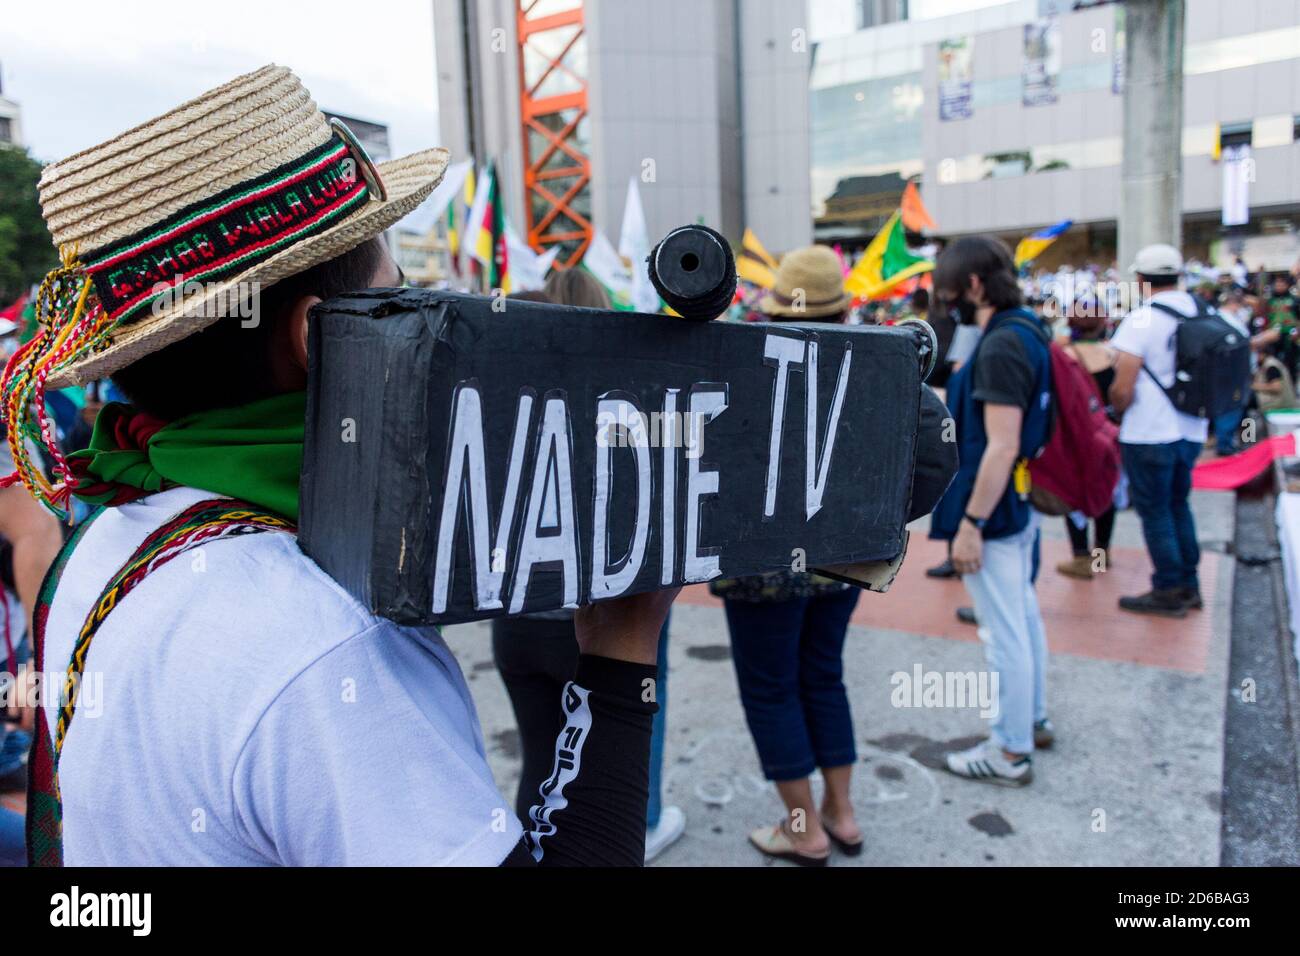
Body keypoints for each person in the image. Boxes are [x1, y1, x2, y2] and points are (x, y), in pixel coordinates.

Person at [6, 66, 674, 867]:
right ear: (325, 340)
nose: (426, 314)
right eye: (401, 293)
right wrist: (622, 644)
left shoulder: (106, 535)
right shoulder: (325, 641)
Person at [720, 246, 955, 863]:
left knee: (772, 689)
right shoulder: (875, 362)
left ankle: (804, 829)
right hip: (843, 557)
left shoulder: (747, 361)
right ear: (844, 304)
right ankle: (842, 815)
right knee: (823, 675)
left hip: (761, 564)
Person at [490, 279, 685, 864]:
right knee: (606, 757)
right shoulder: (624, 422)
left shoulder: (499, 412)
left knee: (542, 760)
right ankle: (635, 829)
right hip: (592, 626)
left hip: (517, 624)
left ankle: (539, 847)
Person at [930, 236, 1054, 787]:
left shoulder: (1004, 343)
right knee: (1022, 619)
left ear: (974, 285)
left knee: (1004, 631)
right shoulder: (1025, 328)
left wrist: (971, 525)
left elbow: (1000, 444)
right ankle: (1033, 720)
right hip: (1016, 504)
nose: (945, 300)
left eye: (949, 289)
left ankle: (1009, 751)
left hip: (995, 509)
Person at [1107, 244, 1204, 618]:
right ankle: (1189, 583)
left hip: (1149, 433)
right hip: (1191, 428)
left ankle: (1168, 588)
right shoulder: (1200, 309)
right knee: (1180, 505)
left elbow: (1122, 385)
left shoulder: (1142, 319)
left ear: (1142, 279)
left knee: (1156, 511)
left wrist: (1116, 408)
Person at [1055, 292, 1118, 580]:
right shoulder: (1114, 355)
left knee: (1075, 493)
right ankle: (1101, 554)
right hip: (1108, 435)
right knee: (1107, 492)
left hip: (1077, 437)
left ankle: (1081, 556)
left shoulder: (1066, 357)